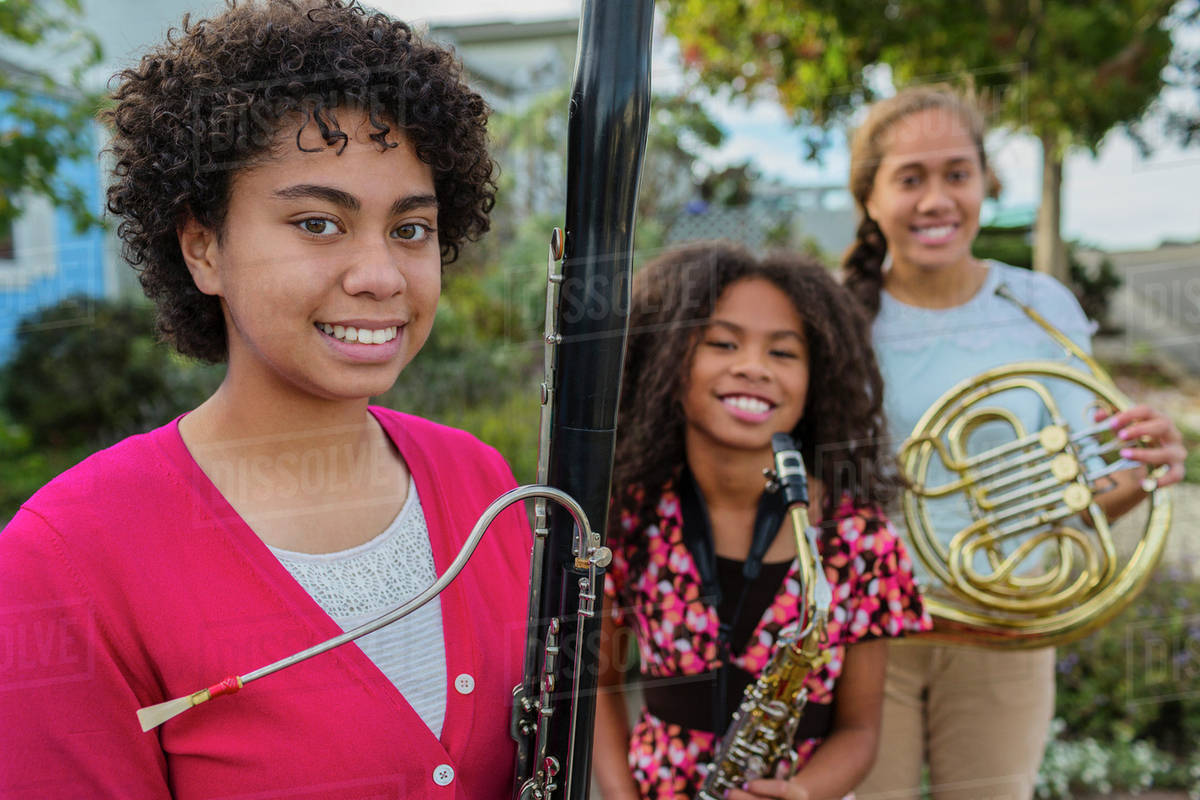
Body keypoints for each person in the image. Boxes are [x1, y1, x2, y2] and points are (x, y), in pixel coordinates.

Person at [0, 2, 532, 798]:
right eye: (318, 223)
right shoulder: (66, 560)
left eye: (411, 229)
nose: (381, 275)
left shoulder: (483, 484)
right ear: (203, 248)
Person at [842, 86, 1188, 800]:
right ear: (870, 197)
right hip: (871, 633)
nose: (937, 199)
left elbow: (1093, 487)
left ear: (985, 184)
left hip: (1007, 628)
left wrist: (1148, 470)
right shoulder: (839, 317)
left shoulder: (1039, 305)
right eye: (910, 179)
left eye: (957, 174)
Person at [591, 241, 932, 800]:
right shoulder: (628, 517)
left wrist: (802, 793)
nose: (752, 367)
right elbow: (598, 687)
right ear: (670, 362)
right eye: (723, 343)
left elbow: (860, 731)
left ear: (816, 380)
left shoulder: (861, 540)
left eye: (784, 353)